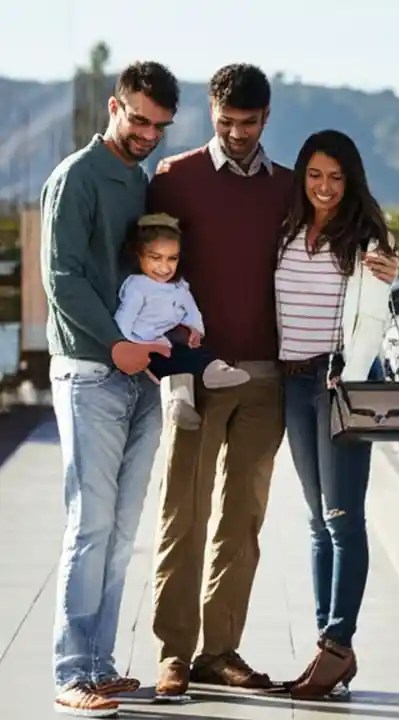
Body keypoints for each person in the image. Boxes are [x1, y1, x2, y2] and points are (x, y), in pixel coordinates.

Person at [146, 63, 292, 702]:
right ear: (212, 113)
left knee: (242, 520)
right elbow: (149, 271)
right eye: (226, 122)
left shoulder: (288, 188)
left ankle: (220, 651)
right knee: (185, 513)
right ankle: (173, 653)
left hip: (266, 376)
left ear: (267, 118)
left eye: (249, 123)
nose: (237, 133)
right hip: (193, 375)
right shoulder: (175, 179)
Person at [41, 61, 180, 717]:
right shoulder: (76, 177)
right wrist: (117, 347)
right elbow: (62, 278)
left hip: (139, 380)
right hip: (91, 374)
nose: (149, 133)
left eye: (160, 125)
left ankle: (99, 665)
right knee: (90, 527)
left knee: (122, 533)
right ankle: (71, 671)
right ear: (114, 105)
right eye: (140, 118)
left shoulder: (139, 181)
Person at [275, 130, 399, 699]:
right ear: (303, 175)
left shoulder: (369, 238)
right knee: (316, 519)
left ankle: (338, 642)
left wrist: (345, 383)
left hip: (336, 382)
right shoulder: (286, 229)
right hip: (293, 382)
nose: (325, 188)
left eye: (336, 177)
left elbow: (370, 326)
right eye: (316, 175)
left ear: (351, 181)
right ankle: (327, 646)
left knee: (344, 518)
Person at [114, 213, 251, 428]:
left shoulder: (179, 286)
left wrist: (195, 329)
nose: (164, 267)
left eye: (172, 258)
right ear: (139, 256)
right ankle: (183, 395)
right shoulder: (138, 287)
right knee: (175, 361)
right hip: (148, 344)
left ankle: (204, 380)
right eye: (155, 258)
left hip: (173, 337)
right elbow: (123, 322)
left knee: (189, 353)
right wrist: (138, 345)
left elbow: (192, 310)